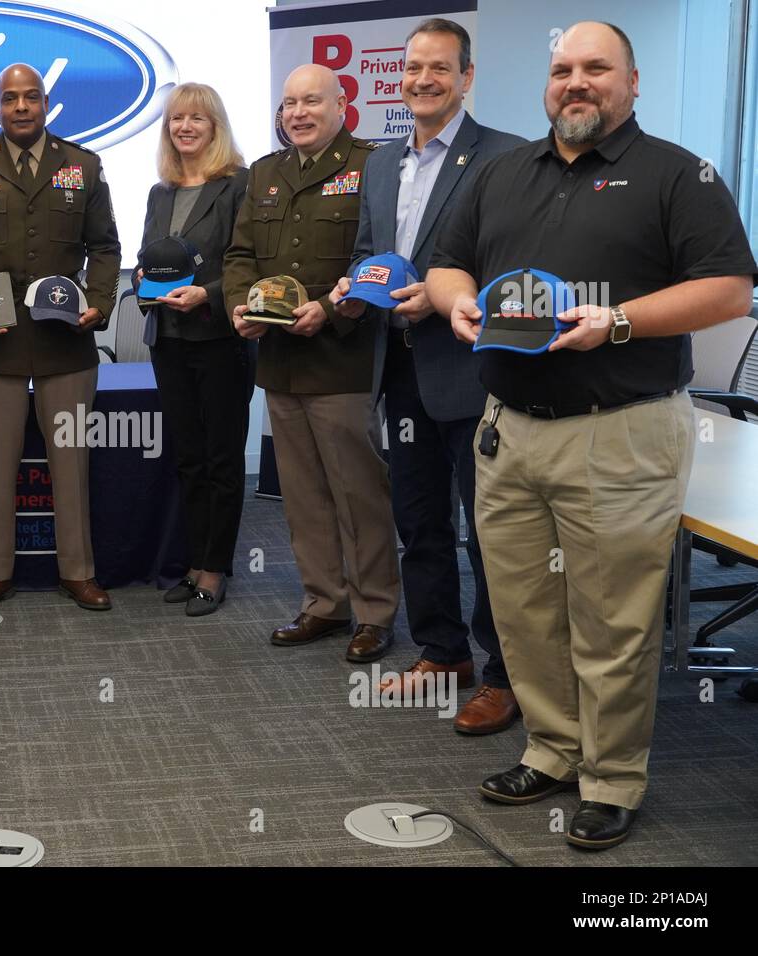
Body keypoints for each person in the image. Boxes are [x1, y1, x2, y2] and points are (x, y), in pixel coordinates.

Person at [427, 22, 756, 849]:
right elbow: (444, 262)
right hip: (508, 433)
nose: (577, 83)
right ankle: (552, 748)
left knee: (611, 621)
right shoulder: (504, 172)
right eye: (563, 69)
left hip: (622, 433)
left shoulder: (681, 175)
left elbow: (728, 292)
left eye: (596, 69)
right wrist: (455, 301)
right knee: (524, 610)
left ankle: (612, 776)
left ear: (632, 82)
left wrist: (618, 322)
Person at [329, 18, 526, 733]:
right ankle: (442, 652)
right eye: (413, 68)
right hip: (399, 369)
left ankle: (505, 676)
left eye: (439, 69)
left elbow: (513, 266)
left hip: (473, 371)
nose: (422, 80)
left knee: (491, 532)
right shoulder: (381, 163)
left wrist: (443, 298)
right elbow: (367, 251)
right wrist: (353, 289)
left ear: (467, 77)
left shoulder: (506, 158)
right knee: (418, 523)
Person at [224, 64, 402, 660]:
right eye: (288, 104)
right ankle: (323, 602)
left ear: (341, 104)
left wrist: (330, 307)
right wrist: (239, 306)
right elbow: (241, 253)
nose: (297, 113)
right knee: (302, 493)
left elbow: (379, 258)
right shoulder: (265, 173)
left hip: (342, 357)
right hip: (279, 359)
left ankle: (375, 611)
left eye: (311, 102)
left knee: (358, 492)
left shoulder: (373, 165)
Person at [0, 63, 122, 612]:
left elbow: (106, 247)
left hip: (67, 341)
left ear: (46, 104)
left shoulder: (82, 166)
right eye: (10, 98)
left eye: (31, 97)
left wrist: (102, 301)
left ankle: (78, 572)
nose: (21, 106)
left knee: (72, 462)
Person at [133, 83, 251, 617]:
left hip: (220, 338)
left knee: (222, 459)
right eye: (176, 118)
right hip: (169, 340)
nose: (184, 127)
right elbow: (151, 257)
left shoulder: (239, 186)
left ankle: (215, 569)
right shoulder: (160, 192)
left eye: (196, 119)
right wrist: (140, 276)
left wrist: (210, 293)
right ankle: (192, 561)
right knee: (189, 458)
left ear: (215, 126)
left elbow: (248, 263)